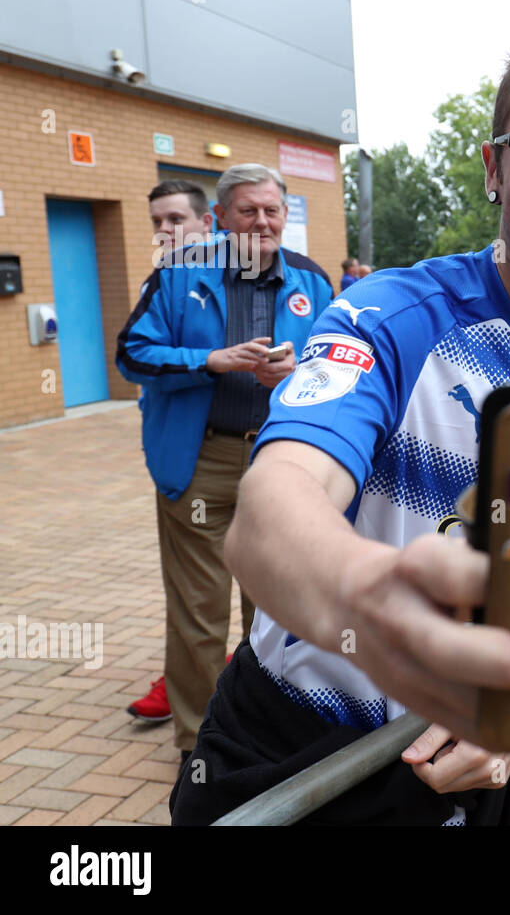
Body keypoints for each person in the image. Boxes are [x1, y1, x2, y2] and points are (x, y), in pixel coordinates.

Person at [169, 22, 510, 826]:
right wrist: (361, 591)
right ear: (493, 167)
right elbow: (272, 508)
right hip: (304, 757)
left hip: (486, 780)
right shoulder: (387, 316)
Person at [116, 163, 332, 765]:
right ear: (220, 219)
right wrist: (211, 359)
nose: (261, 222)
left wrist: (302, 372)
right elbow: (132, 354)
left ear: (284, 216)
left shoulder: (314, 281)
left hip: (281, 457)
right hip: (201, 456)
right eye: (248, 211)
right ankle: (199, 749)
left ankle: (260, 735)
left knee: (273, 608)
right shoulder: (179, 272)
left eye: (272, 210)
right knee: (201, 612)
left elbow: (342, 367)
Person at [124, 181, 218, 724]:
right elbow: (135, 358)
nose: (163, 231)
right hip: (187, 457)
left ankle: (250, 697)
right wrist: (213, 360)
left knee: (268, 593)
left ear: (208, 225)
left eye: (175, 219)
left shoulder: (255, 278)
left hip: (262, 453)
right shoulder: (158, 282)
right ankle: (186, 693)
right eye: (157, 221)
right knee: (192, 596)